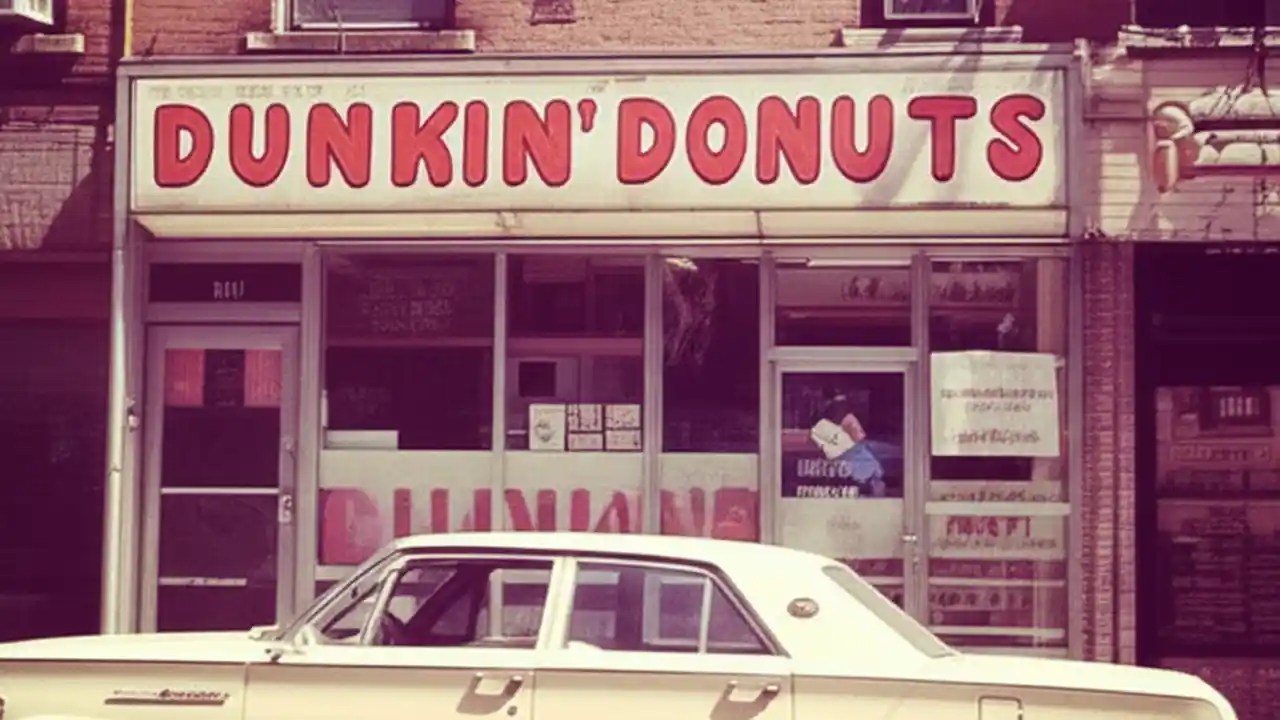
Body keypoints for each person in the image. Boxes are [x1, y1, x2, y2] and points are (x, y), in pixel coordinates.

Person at [810, 394, 889, 498]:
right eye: (837, 406)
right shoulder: (828, 425)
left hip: (852, 460)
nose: (840, 409)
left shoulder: (847, 420)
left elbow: (859, 440)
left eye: (842, 406)